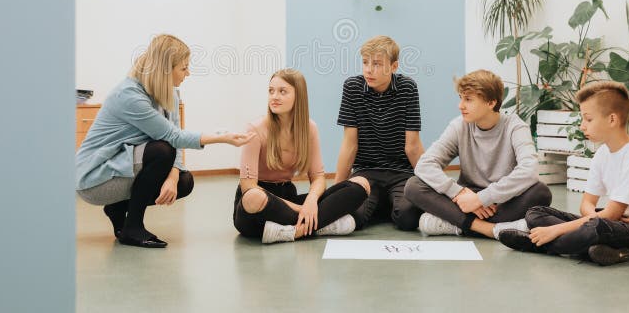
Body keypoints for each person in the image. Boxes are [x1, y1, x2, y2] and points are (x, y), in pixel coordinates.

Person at [76, 34, 254, 248]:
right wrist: (221, 138)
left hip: (121, 167)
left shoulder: (170, 93)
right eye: (184, 68)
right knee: (162, 151)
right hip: (94, 180)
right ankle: (133, 227)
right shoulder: (129, 95)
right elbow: (173, 138)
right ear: (166, 69)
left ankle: (118, 208)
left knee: (183, 182)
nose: (188, 73)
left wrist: (173, 175)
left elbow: (174, 135)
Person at [499, 81, 629, 265]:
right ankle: (599, 251)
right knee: (535, 213)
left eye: (588, 119)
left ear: (612, 119)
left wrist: (556, 230)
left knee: (596, 227)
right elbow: (587, 204)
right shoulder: (603, 153)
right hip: (608, 222)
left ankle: (536, 244)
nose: (582, 126)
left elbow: (609, 216)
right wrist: (593, 216)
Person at [404, 70, 552, 239]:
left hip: (501, 199)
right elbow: (424, 164)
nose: (460, 105)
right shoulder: (459, 126)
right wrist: (459, 193)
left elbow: (529, 170)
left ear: (491, 102)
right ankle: (492, 229)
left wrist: (482, 199)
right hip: (466, 199)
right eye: (461, 98)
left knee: (541, 192)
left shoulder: (515, 126)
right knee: (414, 185)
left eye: (468, 99)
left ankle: (457, 224)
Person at [234, 69, 370, 244]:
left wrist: (311, 202)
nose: (274, 96)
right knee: (254, 198)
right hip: (260, 204)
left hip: (288, 196)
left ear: (298, 96)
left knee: (361, 184)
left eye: (282, 91)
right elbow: (247, 187)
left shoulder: (309, 128)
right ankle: (317, 225)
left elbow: (318, 178)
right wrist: (301, 208)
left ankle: (292, 231)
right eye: (271, 91)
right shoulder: (254, 129)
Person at [335, 36, 424, 230]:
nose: (368, 69)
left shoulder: (408, 88)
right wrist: (336, 193)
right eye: (365, 62)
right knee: (353, 216)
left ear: (393, 66)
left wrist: (432, 187)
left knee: (408, 218)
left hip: (402, 172)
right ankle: (383, 204)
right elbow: (350, 145)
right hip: (365, 172)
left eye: (376, 64)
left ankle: (386, 204)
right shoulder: (352, 87)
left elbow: (413, 146)